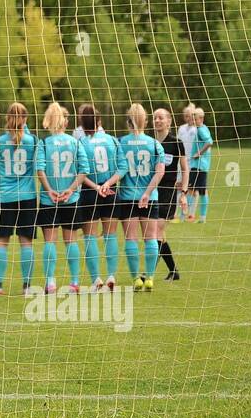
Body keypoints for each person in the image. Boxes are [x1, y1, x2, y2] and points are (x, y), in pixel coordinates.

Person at [101, 103, 166, 292]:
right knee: (151, 238)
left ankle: (136, 278)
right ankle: (150, 277)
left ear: (128, 121)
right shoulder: (154, 144)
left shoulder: (120, 142)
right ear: (145, 120)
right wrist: (146, 193)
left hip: (128, 197)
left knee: (131, 238)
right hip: (150, 197)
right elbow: (160, 171)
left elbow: (116, 169)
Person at [0, 103, 39, 296]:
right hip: (27, 198)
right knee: (26, 242)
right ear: (25, 119)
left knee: (1, 242)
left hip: (5, 197)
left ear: (7, 118)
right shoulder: (33, 141)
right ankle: (27, 287)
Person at [35, 103, 89, 294]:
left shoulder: (43, 143)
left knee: (50, 241)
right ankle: (74, 282)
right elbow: (84, 169)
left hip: (49, 199)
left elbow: (40, 169)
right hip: (70, 199)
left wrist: (49, 190)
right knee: (71, 241)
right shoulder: (75, 142)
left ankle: (50, 282)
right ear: (64, 121)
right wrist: (70, 189)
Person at [76, 104, 122, 292]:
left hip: (89, 192)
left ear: (81, 124)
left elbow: (79, 172)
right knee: (110, 235)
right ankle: (111, 275)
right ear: (99, 121)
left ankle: (96, 279)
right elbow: (123, 167)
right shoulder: (112, 140)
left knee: (89, 237)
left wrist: (96, 186)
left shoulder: (80, 144)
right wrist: (108, 184)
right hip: (110, 191)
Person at [152, 107, 189, 281]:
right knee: (156, 235)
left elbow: (185, 169)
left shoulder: (176, 142)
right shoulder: (150, 143)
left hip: (167, 194)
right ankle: (173, 271)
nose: (157, 120)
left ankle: (147, 273)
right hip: (151, 192)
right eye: (155, 118)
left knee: (156, 232)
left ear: (169, 121)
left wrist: (183, 193)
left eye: (161, 118)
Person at [189, 107, 214, 223]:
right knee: (201, 191)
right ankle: (202, 217)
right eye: (192, 119)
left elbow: (209, 142)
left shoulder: (201, 130)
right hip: (202, 165)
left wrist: (198, 153)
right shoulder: (203, 128)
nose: (193, 121)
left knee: (189, 189)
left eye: (195, 119)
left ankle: (187, 216)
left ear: (201, 118)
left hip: (198, 165)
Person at [176, 104, 199, 221]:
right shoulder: (181, 128)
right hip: (181, 161)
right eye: (185, 116)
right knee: (179, 187)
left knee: (192, 189)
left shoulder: (197, 130)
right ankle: (179, 214)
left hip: (193, 162)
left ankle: (191, 213)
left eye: (189, 115)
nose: (187, 118)